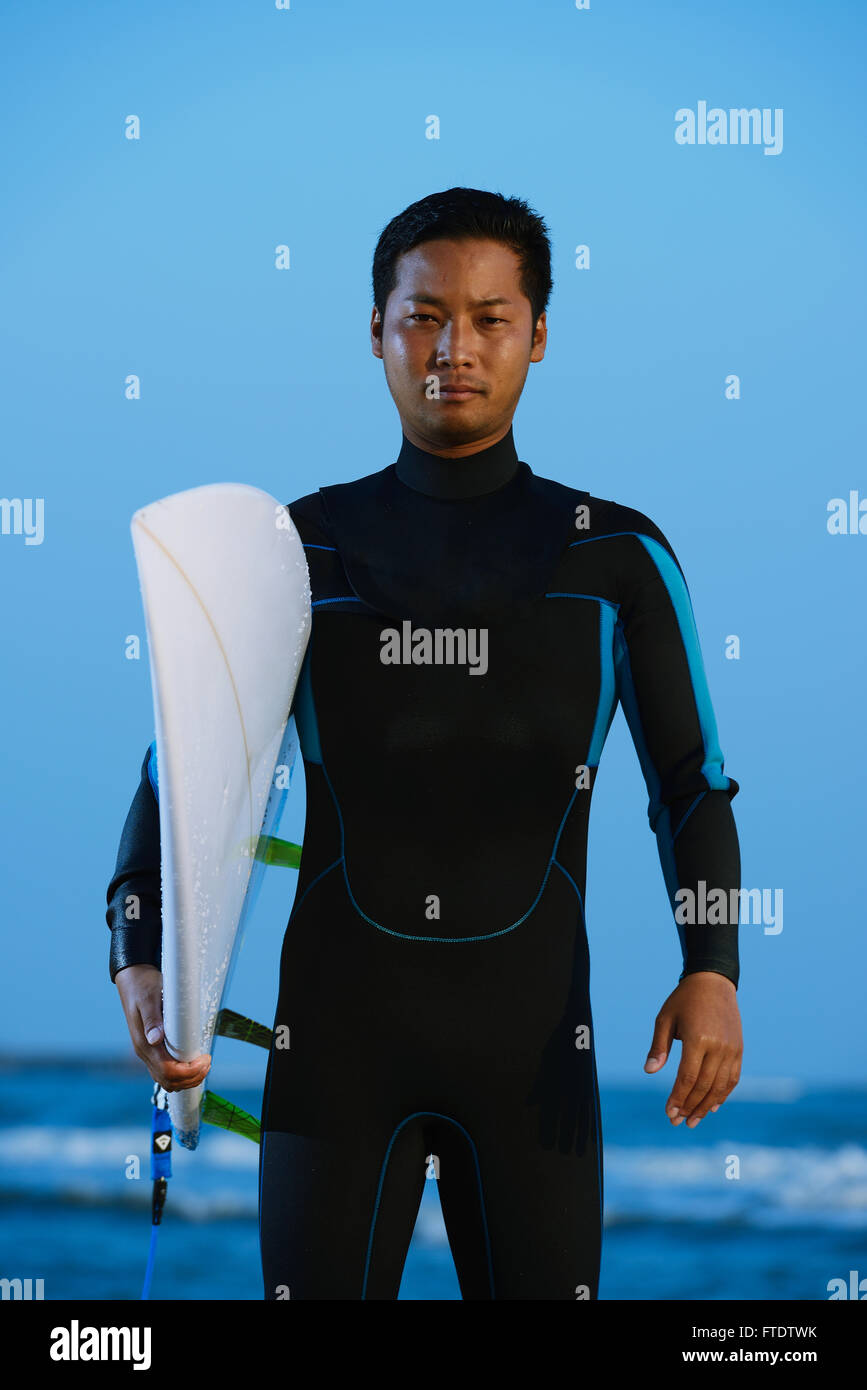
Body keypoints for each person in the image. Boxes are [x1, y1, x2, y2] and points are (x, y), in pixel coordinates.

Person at [107, 187, 743, 1300]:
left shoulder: (616, 560)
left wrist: (714, 971)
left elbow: (690, 784)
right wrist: (142, 948)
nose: (455, 348)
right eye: (423, 316)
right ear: (376, 330)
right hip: (334, 1062)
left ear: (538, 336)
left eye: (491, 318)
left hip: (538, 1062)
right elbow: (179, 763)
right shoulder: (294, 551)